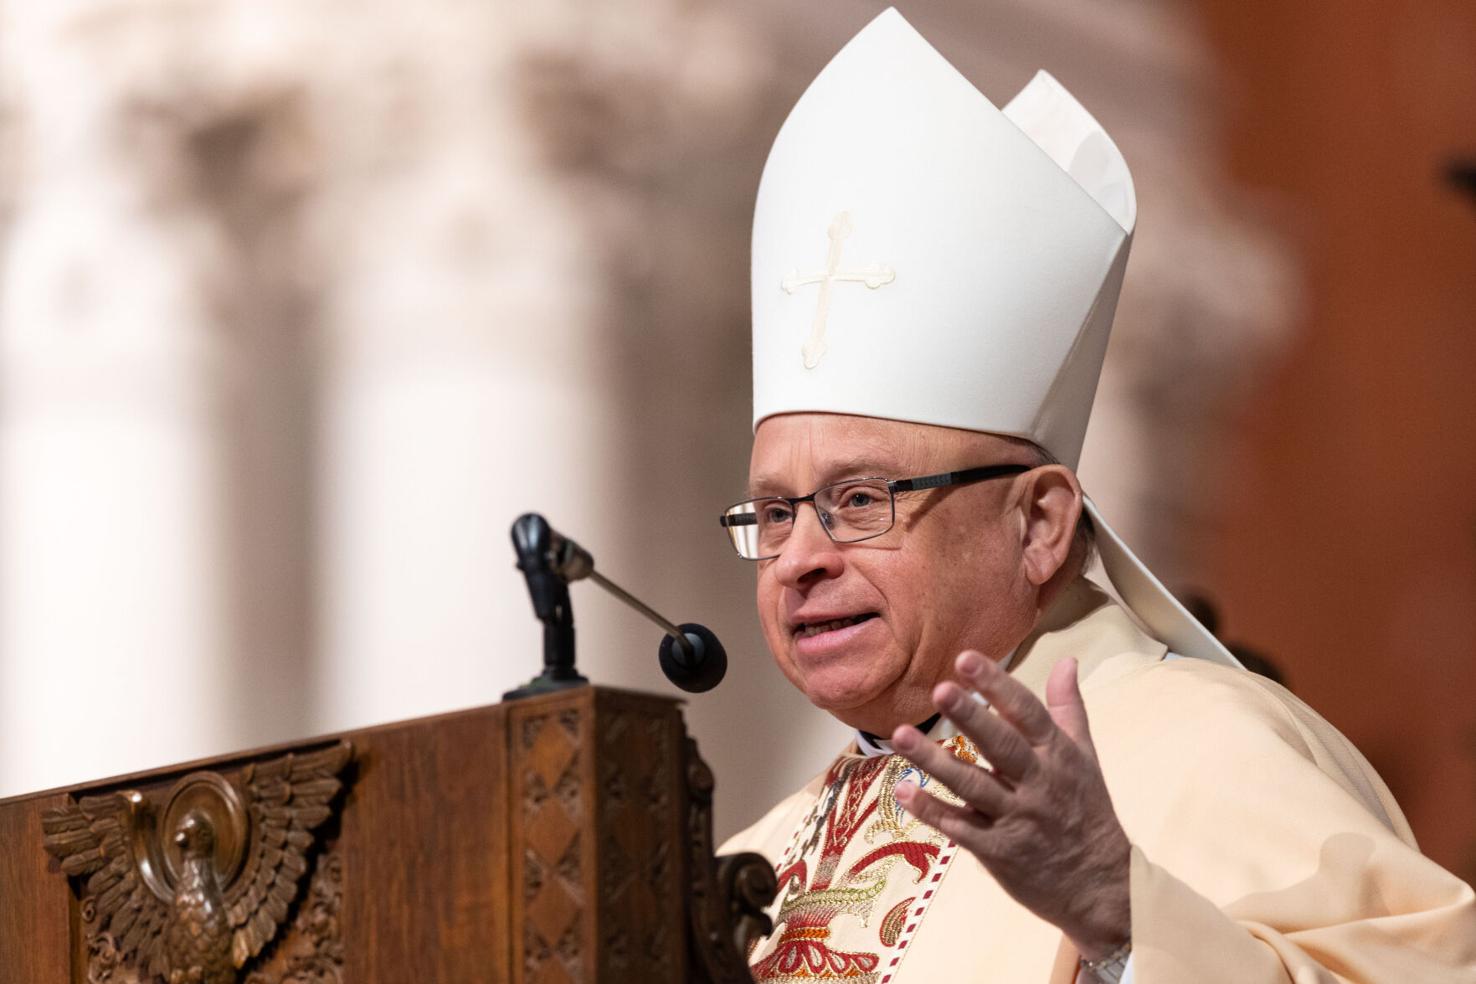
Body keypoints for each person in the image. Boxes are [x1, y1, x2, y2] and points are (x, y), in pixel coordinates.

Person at [717, 9, 1476, 983]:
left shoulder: (1206, 753)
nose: (801, 559)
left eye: (861, 501)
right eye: (775, 514)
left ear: (1039, 523)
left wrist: (1122, 917)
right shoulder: (761, 857)